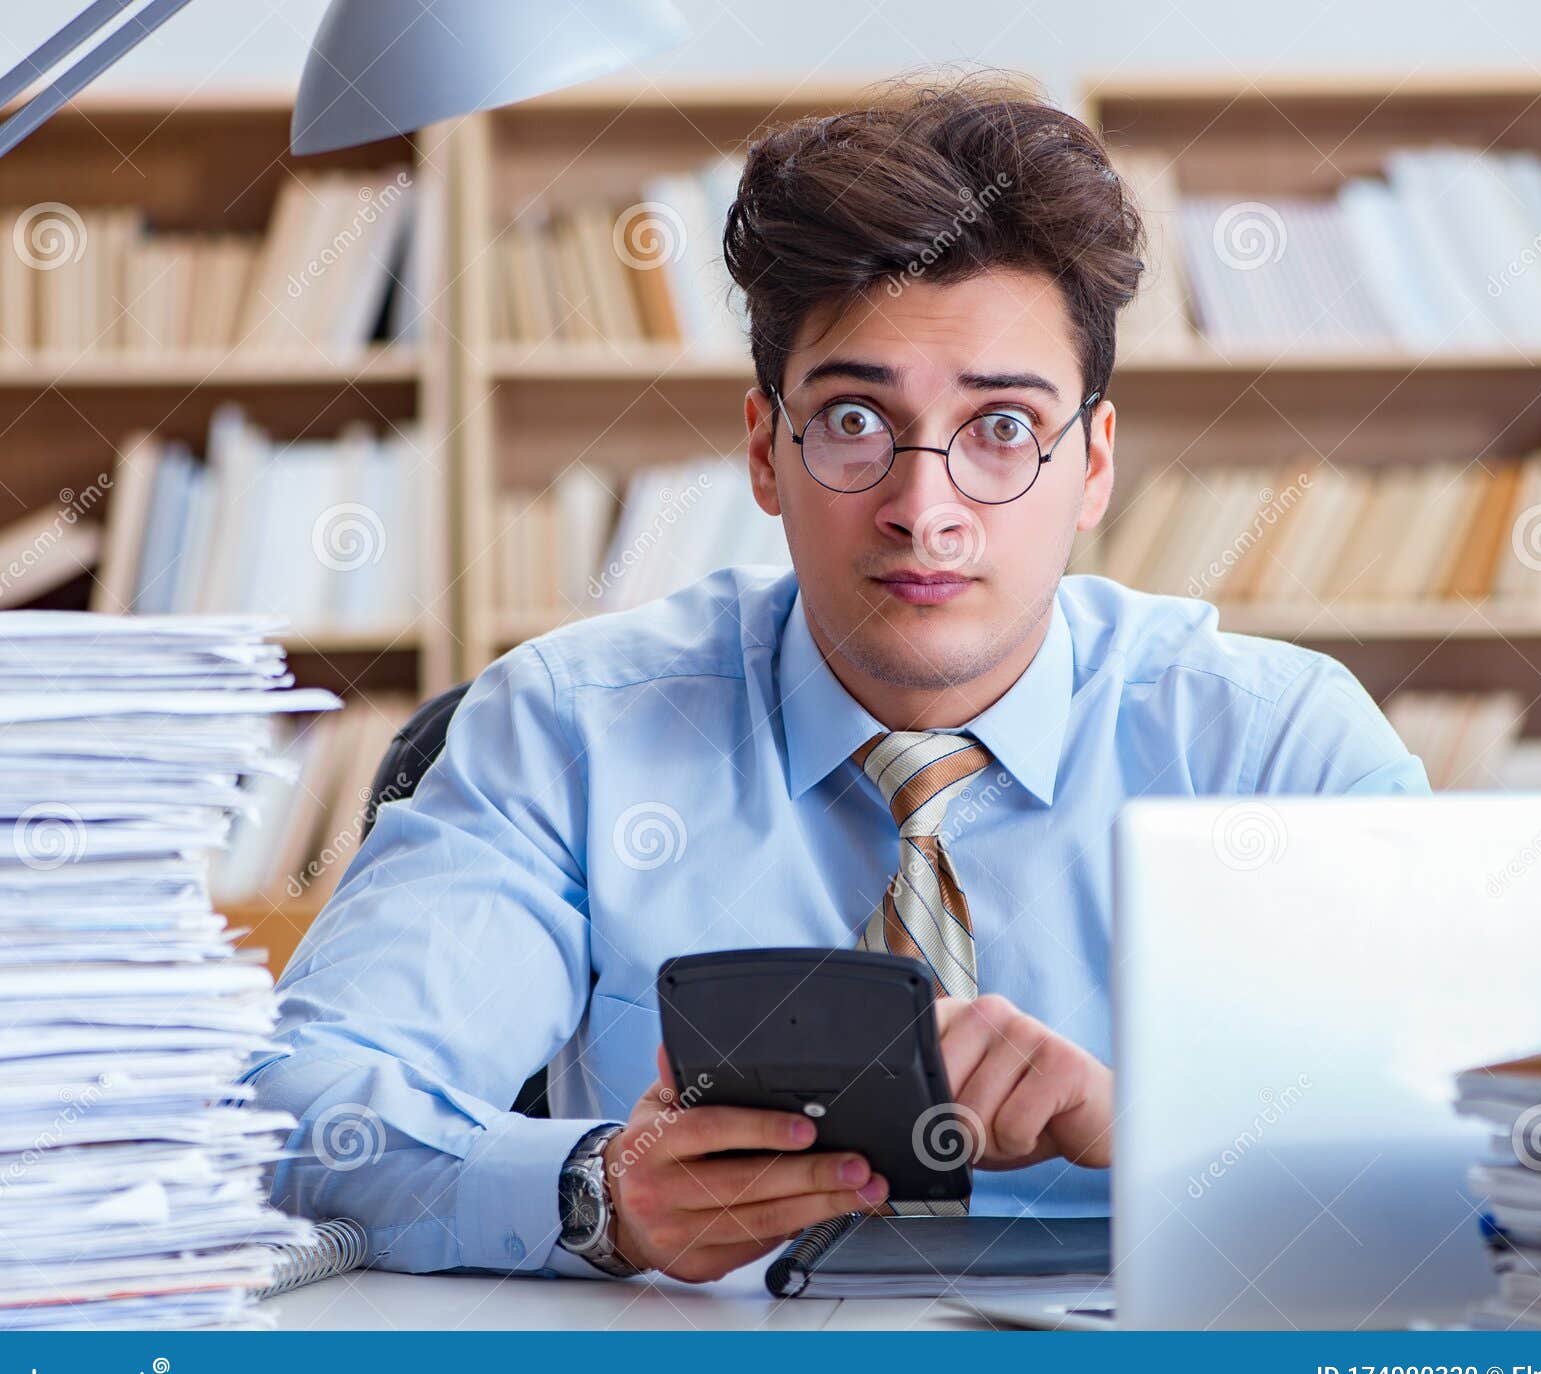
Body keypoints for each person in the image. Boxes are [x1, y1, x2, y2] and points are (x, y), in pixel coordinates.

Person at [243, 75, 1429, 1286]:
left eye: (1004, 428)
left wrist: (1168, 1130)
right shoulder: (570, 729)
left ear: (1093, 464)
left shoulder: (1281, 748)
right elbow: (297, 1106)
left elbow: (1495, 1146)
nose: (925, 511)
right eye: (856, 419)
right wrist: (596, 1191)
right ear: (765, 451)